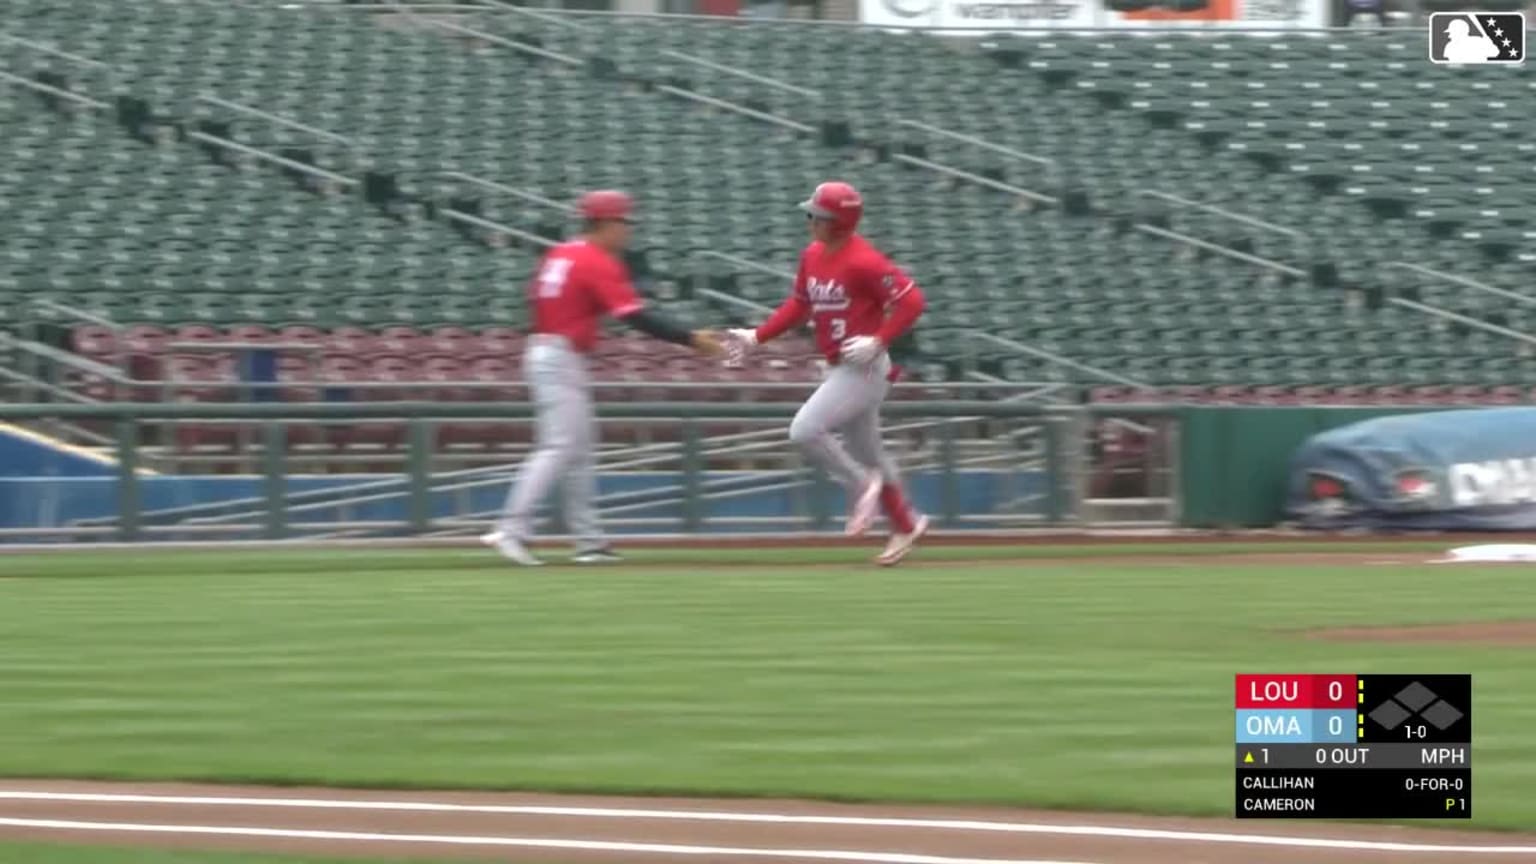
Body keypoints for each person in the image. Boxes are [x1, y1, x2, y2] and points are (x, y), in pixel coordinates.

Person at [483, 190, 723, 566]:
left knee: (578, 450)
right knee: (560, 446)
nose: (628, 230)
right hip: (558, 356)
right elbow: (635, 317)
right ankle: (511, 529)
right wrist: (690, 339)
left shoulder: (561, 252)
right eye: (624, 222)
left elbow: (537, 303)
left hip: (552, 350)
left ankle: (589, 542)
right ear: (606, 222)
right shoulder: (596, 260)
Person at [725, 181, 930, 566]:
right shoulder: (813, 255)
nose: (809, 221)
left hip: (863, 369)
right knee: (870, 452)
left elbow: (912, 302)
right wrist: (757, 336)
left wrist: (880, 339)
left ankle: (860, 485)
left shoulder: (864, 260)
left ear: (838, 222)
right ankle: (906, 523)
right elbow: (799, 305)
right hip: (839, 367)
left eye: (816, 216)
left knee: (804, 430)